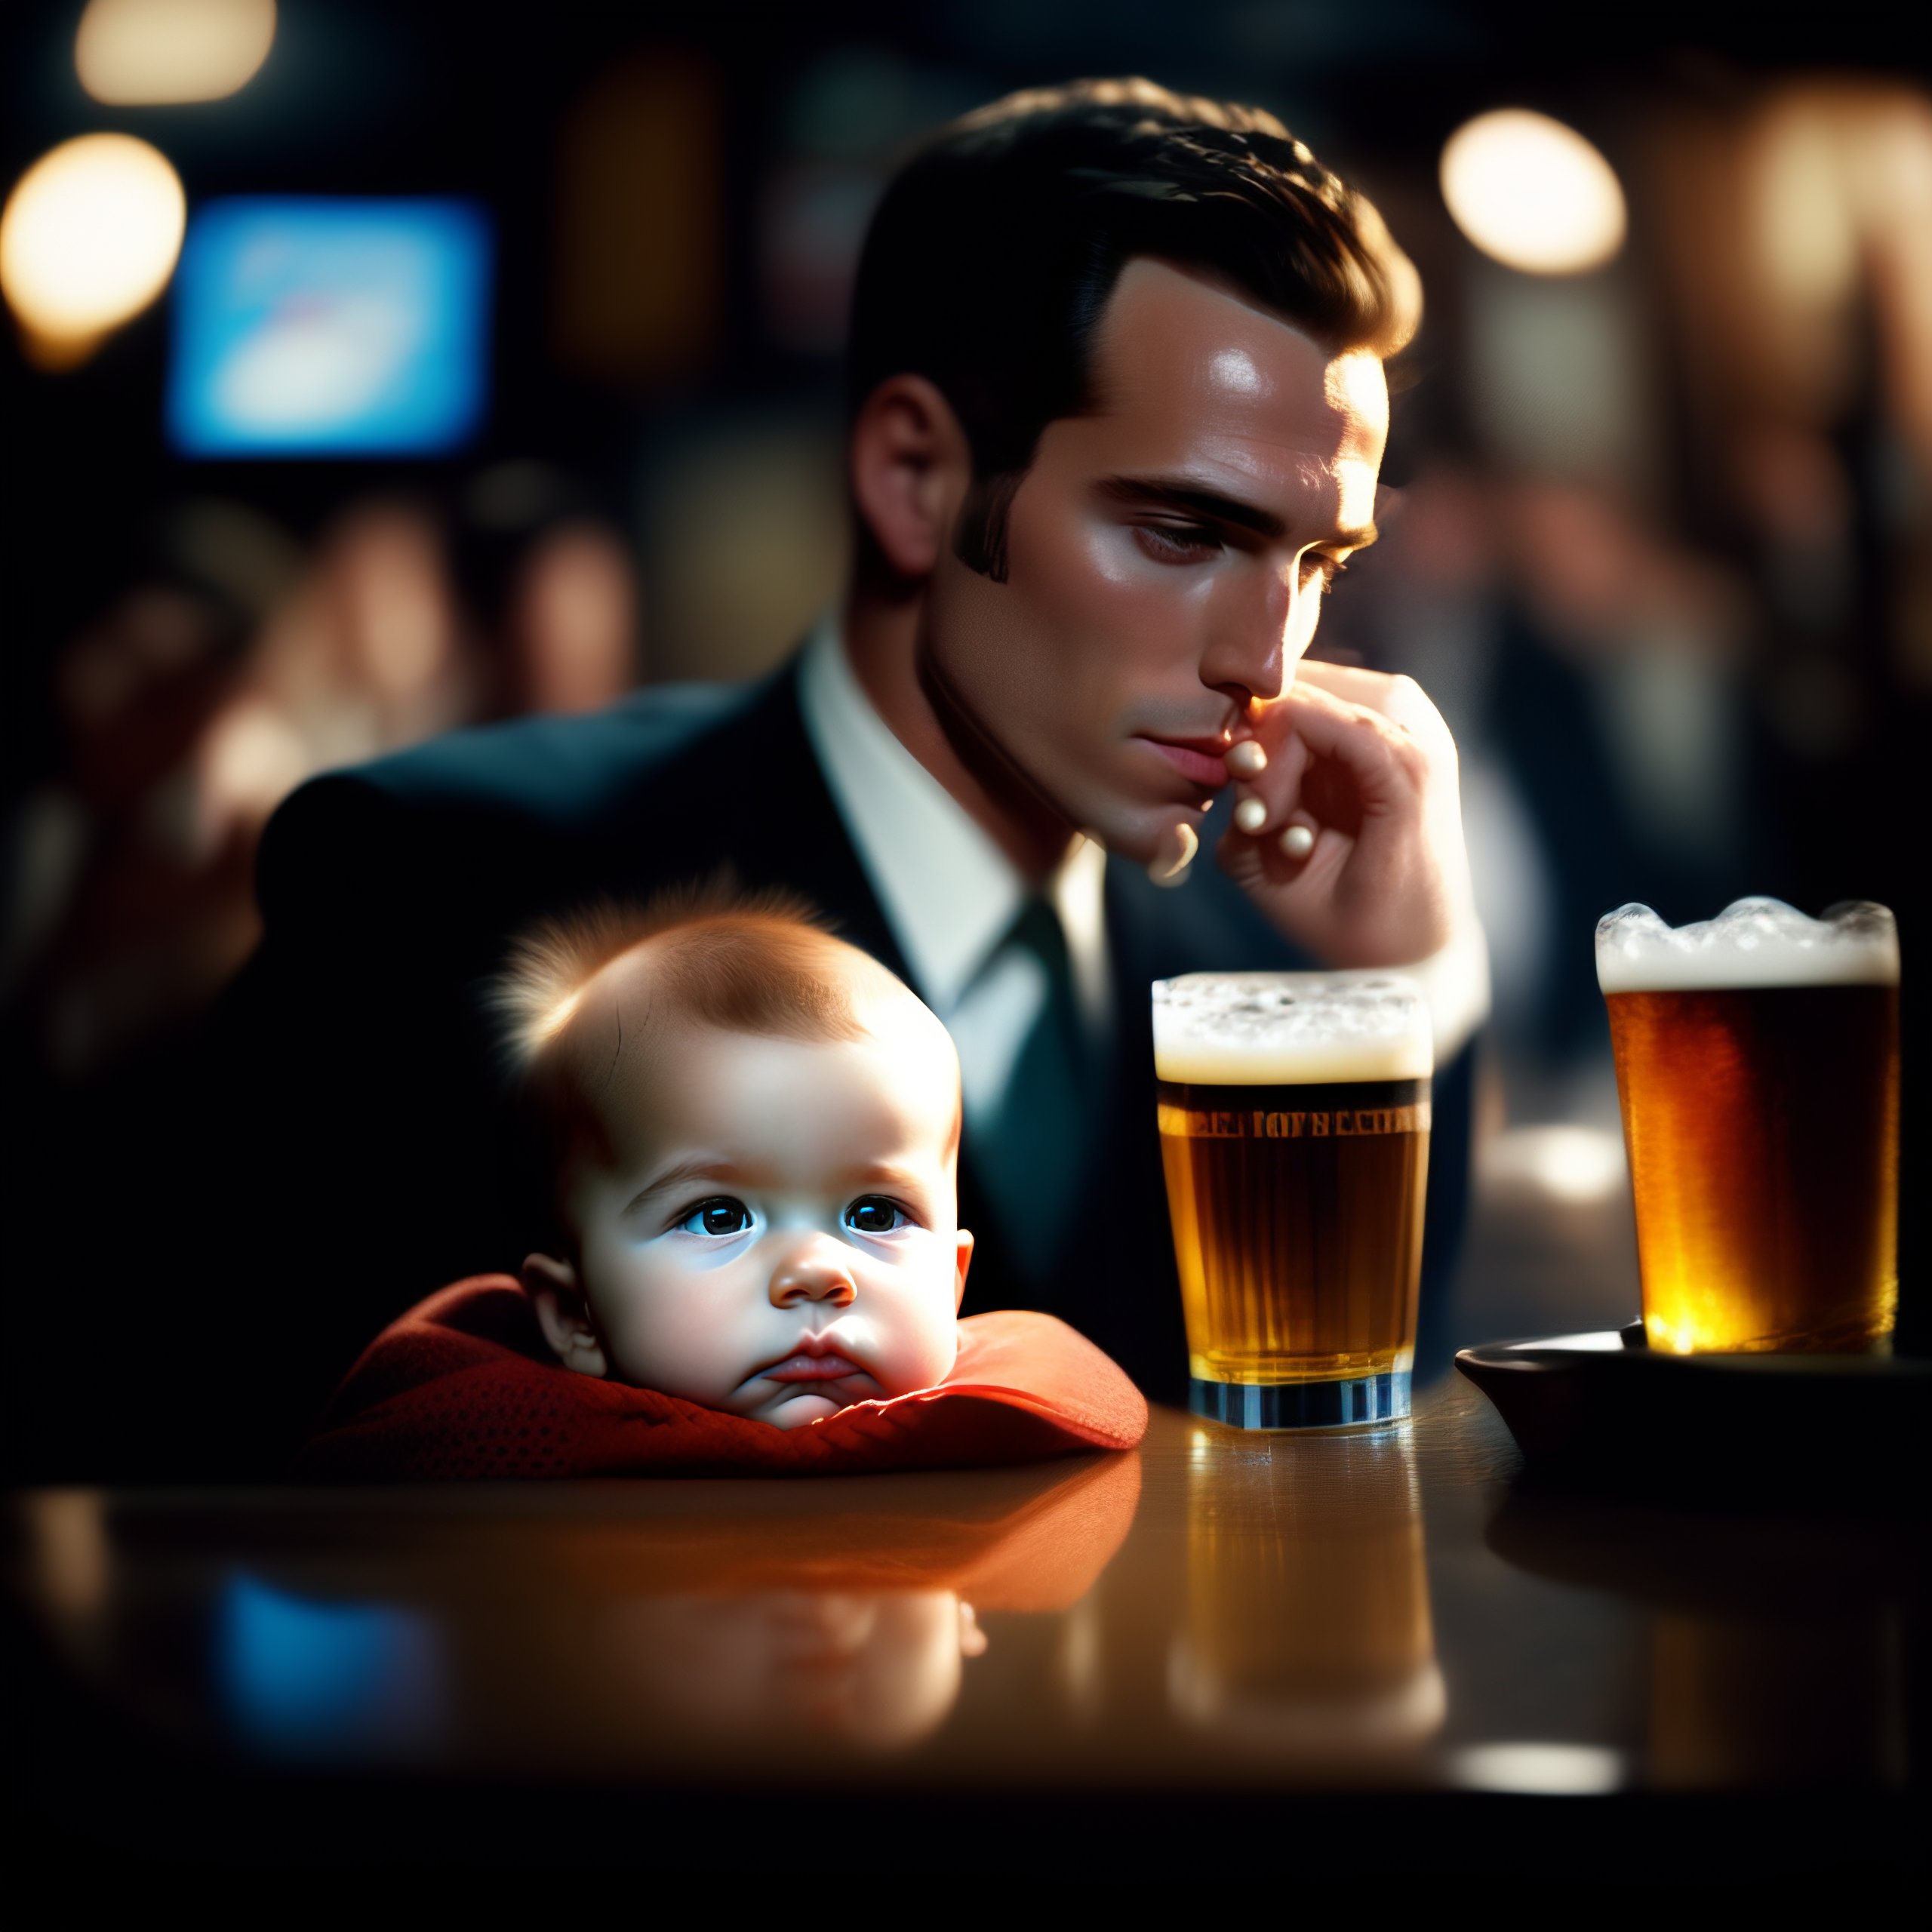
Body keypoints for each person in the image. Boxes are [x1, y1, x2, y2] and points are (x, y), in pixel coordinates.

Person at [202, 78, 1486, 1472]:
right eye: (1182, 532)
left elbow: (1334, 1468)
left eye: (1316, 564)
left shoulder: (1273, 962)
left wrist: (1410, 988)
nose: (1267, 654)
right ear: (915, 478)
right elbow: (224, 1519)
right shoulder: (445, 886)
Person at [301, 895, 1144, 1477]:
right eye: (717, 1215)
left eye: (874, 1212)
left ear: (954, 1282)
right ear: (576, 1316)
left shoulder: (1008, 1421)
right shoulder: (489, 1444)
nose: (816, 1273)